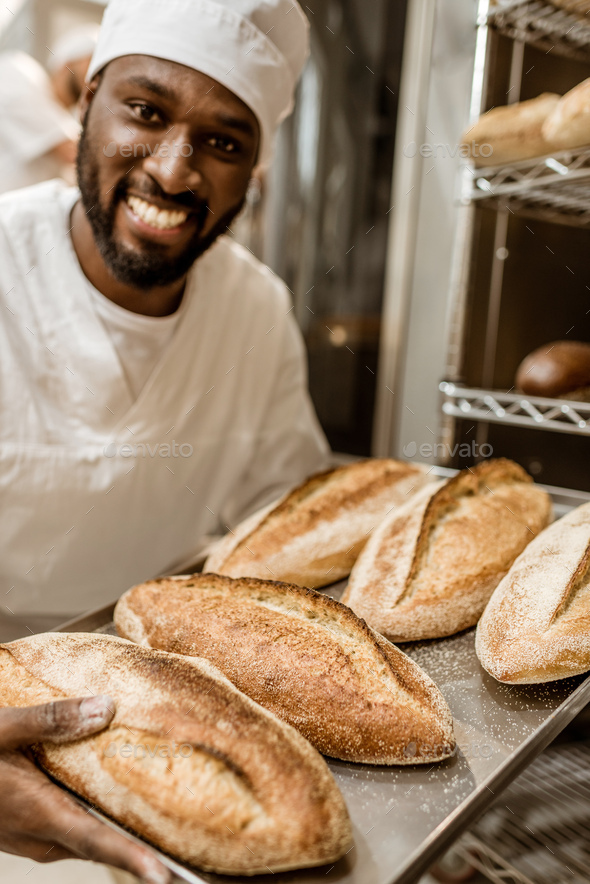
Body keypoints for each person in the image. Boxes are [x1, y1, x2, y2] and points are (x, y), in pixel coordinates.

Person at [0, 0, 328, 879]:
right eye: (146, 113)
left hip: (184, 730)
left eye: (224, 141)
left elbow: (284, 543)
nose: (175, 171)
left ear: (254, 168)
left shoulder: (255, 314)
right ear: (89, 99)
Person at [0, 24, 98, 195]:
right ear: (68, 61)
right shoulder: (20, 72)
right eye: (92, 63)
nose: (96, 79)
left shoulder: (71, 124)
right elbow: (76, 153)